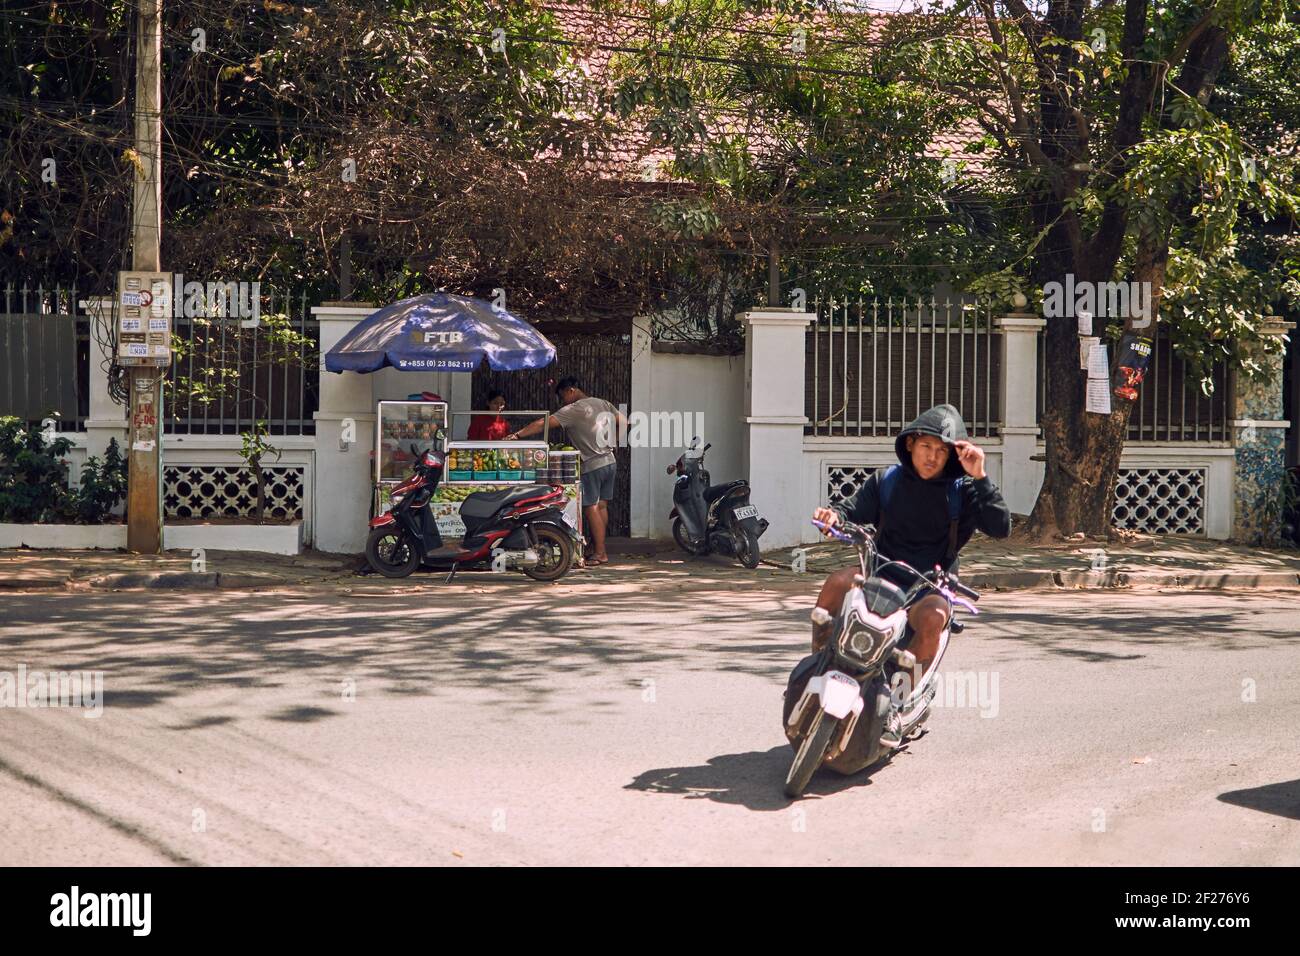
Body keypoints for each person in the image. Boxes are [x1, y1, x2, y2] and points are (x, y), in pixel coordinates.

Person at [810, 403, 1011, 706]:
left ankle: (896, 703)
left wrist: (981, 477)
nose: (932, 457)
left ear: (952, 456)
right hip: (879, 573)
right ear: (910, 444)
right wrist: (833, 518)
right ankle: (819, 665)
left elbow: (1001, 528)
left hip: (930, 584)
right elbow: (849, 511)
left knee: (934, 618)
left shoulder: (964, 491)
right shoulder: (886, 481)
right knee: (838, 582)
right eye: (926, 446)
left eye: (942, 451)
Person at [506, 377, 626, 565]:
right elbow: (625, 421)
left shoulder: (574, 409)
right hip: (609, 461)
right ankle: (599, 549)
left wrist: (517, 435)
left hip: (592, 464)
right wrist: (616, 442)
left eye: (563, 396)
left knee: (591, 508)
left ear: (571, 390)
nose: (563, 401)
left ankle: (600, 553)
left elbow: (542, 423)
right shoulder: (602, 403)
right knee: (602, 506)